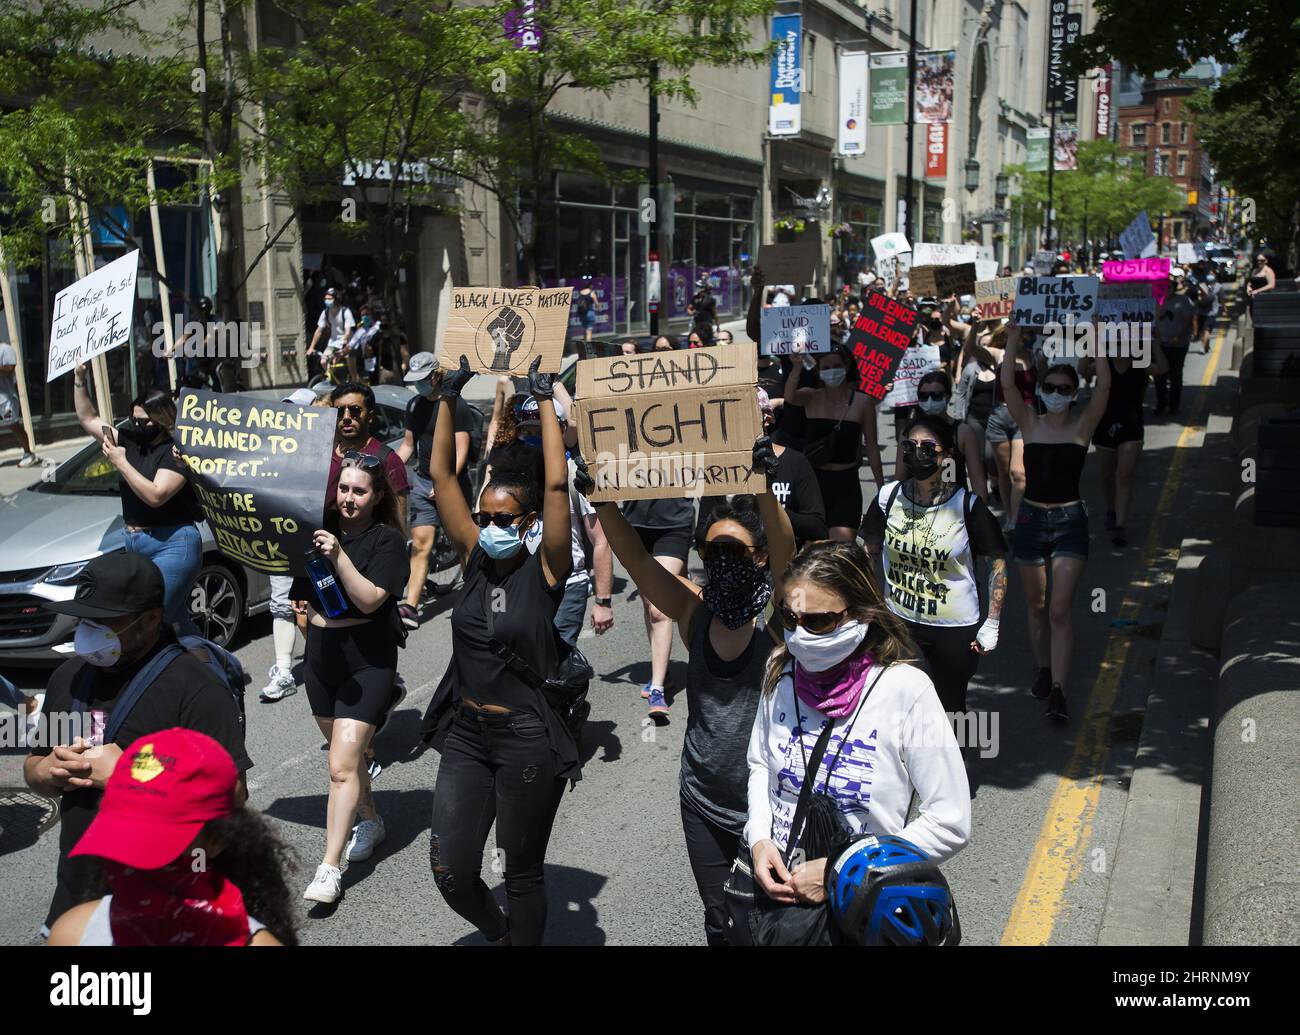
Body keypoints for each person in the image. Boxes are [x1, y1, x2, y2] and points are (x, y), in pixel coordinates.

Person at [582, 445, 795, 945]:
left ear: (759, 556)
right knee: (720, 920)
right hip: (701, 798)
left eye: (735, 551)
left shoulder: (781, 620)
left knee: (773, 922)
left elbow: (787, 551)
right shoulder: (691, 609)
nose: (722, 561)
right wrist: (603, 501)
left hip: (768, 805)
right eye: (712, 551)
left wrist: (761, 485)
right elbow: (635, 559)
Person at [419, 355, 575, 946]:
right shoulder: (473, 554)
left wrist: (544, 403)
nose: (488, 524)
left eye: (503, 517)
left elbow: (557, 483)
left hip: (525, 739)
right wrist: (447, 398)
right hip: (466, 734)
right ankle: (500, 934)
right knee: (452, 872)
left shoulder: (547, 567)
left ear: (530, 521)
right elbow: (440, 478)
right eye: (484, 515)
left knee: (521, 871)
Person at [24, 553, 252, 937]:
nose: (88, 631)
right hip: (79, 895)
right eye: (84, 619)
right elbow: (34, 764)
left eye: (103, 621)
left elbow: (231, 797)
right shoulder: (68, 678)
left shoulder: (195, 688)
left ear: (149, 620)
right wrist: (46, 773)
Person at [745, 541, 970, 921]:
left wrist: (844, 871)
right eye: (789, 618)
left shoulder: (907, 691)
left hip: (866, 908)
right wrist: (759, 839)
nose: (800, 636)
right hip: (782, 906)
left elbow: (950, 821)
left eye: (818, 621)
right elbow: (760, 764)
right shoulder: (779, 673)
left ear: (861, 613)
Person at [47, 728, 296, 946]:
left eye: (158, 844)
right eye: (121, 837)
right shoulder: (72, 935)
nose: (133, 858)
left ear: (215, 841)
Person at [293, 453, 410, 904]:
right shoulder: (317, 527)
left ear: (377, 495)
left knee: (340, 767)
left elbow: (367, 600)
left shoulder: (387, 542)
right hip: (321, 661)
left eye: (359, 490)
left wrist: (339, 554)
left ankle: (328, 868)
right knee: (352, 758)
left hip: (368, 663)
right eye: (343, 489)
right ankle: (372, 819)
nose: (348, 498)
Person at [862, 416, 1007, 748]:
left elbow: (998, 562)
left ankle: (954, 773)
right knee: (897, 701)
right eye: (909, 446)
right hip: (900, 622)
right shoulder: (887, 498)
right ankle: (908, 773)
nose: (917, 453)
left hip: (954, 628)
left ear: (947, 456)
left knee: (951, 707)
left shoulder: (967, 506)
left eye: (928, 447)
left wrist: (993, 621)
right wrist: (869, 611)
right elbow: (869, 554)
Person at [1003, 324, 1111, 721]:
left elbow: (1104, 390)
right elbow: (1010, 387)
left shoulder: (1083, 426)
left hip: (1069, 520)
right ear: (1043, 390)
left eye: (1065, 388)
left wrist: (1096, 339)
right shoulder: (1029, 424)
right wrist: (1013, 338)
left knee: (1060, 609)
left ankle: (1060, 692)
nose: (1058, 394)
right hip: (1030, 519)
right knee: (1036, 605)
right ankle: (1044, 670)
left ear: (1074, 393)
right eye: (1052, 387)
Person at [72, 367, 203, 638]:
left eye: (144, 421)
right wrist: (79, 379)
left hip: (172, 544)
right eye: (133, 420)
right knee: (173, 620)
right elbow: (88, 418)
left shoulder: (176, 451)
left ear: (163, 419)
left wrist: (121, 462)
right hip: (135, 542)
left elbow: (156, 495)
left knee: (153, 620)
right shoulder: (130, 440)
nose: (137, 426)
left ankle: (196, 669)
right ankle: (213, 665)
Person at [488, 397, 614, 644]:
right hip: (520, 585)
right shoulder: (512, 476)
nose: (535, 437)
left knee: (554, 663)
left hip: (567, 586)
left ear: (562, 430)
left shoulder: (577, 477)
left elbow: (601, 541)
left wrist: (603, 601)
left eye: (542, 429)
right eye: (529, 431)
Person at [259, 387, 328, 703]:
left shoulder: (328, 448)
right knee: (282, 603)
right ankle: (285, 670)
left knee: (326, 600)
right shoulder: (272, 450)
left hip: (319, 540)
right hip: (282, 537)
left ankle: (331, 660)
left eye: (299, 410)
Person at [397, 353, 474, 628]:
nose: (417, 386)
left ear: (435, 375)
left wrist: (445, 484)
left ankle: (475, 598)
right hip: (422, 482)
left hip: (451, 484)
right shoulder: (414, 405)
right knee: (420, 543)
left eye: (421, 380)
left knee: (463, 545)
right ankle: (410, 607)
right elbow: (408, 446)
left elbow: (461, 451)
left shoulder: (455, 406)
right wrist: (386, 468)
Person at [694, 389, 826, 549]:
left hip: (780, 566)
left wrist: (767, 509)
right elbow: (702, 532)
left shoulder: (795, 461)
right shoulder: (721, 466)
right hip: (732, 564)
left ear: (767, 419)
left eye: (748, 415)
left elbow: (816, 527)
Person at [784, 347, 883, 541]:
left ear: (846, 367)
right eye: (826, 367)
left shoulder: (862, 402)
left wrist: (882, 488)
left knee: (841, 548)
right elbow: (790, 397)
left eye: (837, 366)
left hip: (845, 483)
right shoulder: (810, 396)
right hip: (812, 483)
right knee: (814, 549)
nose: (832, 370)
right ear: (818, 370)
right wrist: (796, 368)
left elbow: (871, 448)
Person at [1081, 343, 1168, 548]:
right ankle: (1111, 510)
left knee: (1125, 474)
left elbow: (1163, 369)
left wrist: (1155, 342)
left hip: (1131, 425)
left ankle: (1120, 525)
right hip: (1105, 424)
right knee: (1106, 474)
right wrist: (1090, 342)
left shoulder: (1141, 362)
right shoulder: (1104, 361)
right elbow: (1083, 369)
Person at [621, 490, 696, 717]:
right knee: (649, 605)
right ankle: (662, 671)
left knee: (659, 609)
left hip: (675, 523)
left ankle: (657, 688)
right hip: (635, 524)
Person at [890, 369, 987, 498]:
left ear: (947, 396)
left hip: (954, 508)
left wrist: (980, 514)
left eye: (936, 395)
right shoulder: (907, 433)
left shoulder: (963, 432)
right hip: (917, 506)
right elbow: (900, 478)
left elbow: (978, 482)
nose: (930, 400)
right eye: (924, 396)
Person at [327, 381, 410, 528]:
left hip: (367, 549)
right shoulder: (322, 454)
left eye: (355, 410)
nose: (346, 417)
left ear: (370, 416)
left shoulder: (388, 460)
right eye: (339, 411)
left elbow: (398, 522)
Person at [986, 324, 1033, 532]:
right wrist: (976, 327)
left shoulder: (1035, 355)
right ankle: (1010, 514)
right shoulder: (999, 354)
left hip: (1025, 417)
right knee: (1004, 474)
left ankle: (1016, 520)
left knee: (1019, 473)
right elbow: (973, 350)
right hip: (1000, 417)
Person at [1152, 271, 1196, 419]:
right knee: (1160, 376)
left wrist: (1178, 336)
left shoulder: (1183, 300)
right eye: (1164, 287)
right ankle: (1161, 404)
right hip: (1161, 345)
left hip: (1178, 345)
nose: (1167, 289)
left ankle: (1174, 406)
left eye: (1169, 287)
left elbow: (1188, 319)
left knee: (1176, 375)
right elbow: (1154, 320)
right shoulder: (1156, 301)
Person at [0, 334, 39, 467]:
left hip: (6, 398)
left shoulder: (6, 349)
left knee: (13, 425)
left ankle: (28, 453)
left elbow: (10, 368)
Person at [306, 287, 356, 381]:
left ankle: (355, 385)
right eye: (325, 299)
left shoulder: (345, 312)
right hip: (333, 342)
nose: (327, 301)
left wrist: (342, 347)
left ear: (336, 299)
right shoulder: (325, 313)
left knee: (352, 370)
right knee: (323, 361)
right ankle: (334, 380)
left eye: (329, 299)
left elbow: (348, 332)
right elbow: (319, 330)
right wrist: (311, 347)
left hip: (347, 343)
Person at [1194, 272, 1221, 354]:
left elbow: (1197, 298)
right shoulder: (1218, 287)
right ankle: (1203, 346)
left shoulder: (1202, 286)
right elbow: (1222, 298)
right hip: (1210, 313)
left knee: (1203, 330)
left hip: (1202, 312)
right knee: (1207, 330)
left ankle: (1205, 345)